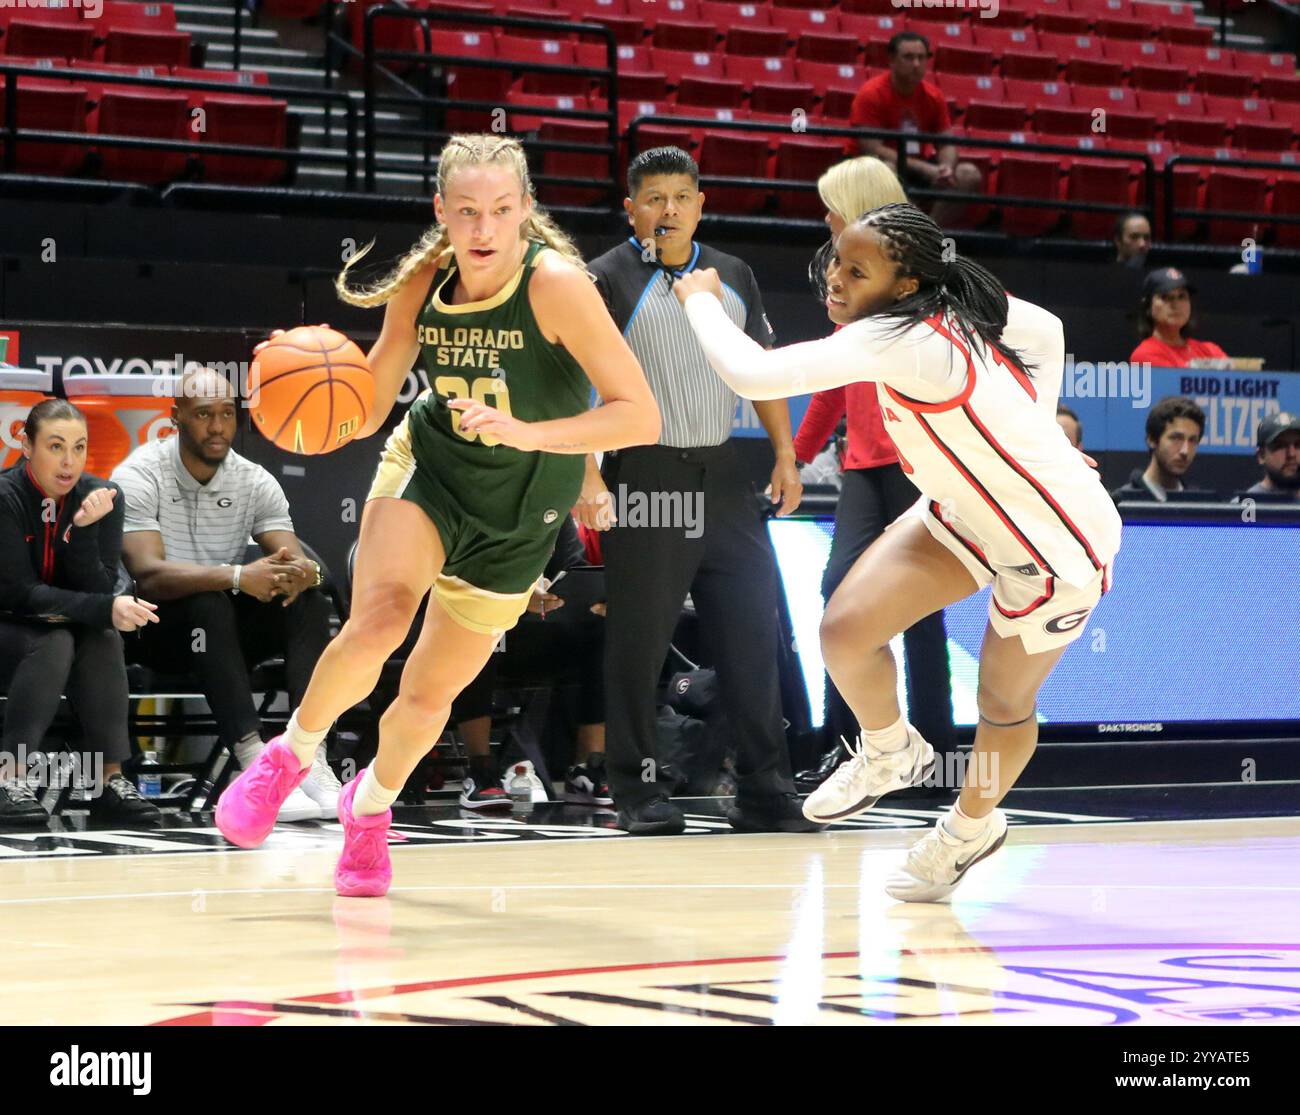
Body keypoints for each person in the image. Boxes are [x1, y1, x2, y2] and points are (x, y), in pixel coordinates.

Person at [213, 133, 659, 898]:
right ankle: (288, 757)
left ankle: (372, 806)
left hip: (523, 505)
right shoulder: (422, 278)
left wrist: (533, 437)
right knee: (380, 618)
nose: (483, 229)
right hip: (432, 466)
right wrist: (303, 405)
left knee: (427, 698)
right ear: (440, 212)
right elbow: (371, 405)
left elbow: (639, 415)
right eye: (466, 212)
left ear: (525, 210)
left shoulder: (555, 284)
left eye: (499, 211)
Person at [674, 202, 1122, 902]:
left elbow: (755, 376)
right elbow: (1046, 328)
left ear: (905, 284)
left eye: (858, 270)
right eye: (836, 261)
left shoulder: (900, 338)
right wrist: (1029, 439)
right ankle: (889, 749)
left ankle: (968, 829)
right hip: (967, 512)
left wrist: (701, 303)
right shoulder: (951, 297)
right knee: (844, 631)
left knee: (1002, 704)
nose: (836, 279)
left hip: (1053, 542)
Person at [579, 145, 818, 837]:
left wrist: (785, 453)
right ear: (631, 208)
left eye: (681, 196)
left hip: (723, 475)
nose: (668, 210)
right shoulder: (603, 279)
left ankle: (766, 788)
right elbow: (579, 382)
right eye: (653, 198)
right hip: (645, 471)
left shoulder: (733, 274)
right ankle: (636, 790)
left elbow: (760, 368)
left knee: (752, 634)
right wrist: (587, 471)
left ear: (701, 204)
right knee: (638, 642)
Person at [792, 155, 958, 792]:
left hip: (922, 466)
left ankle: (937, 756)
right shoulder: (849, 273)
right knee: (843, 596)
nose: (826, 220)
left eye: (833, 207)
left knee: (918, 611)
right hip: (864, 467)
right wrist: (797, 456)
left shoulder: (916, 275)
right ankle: (855, 747)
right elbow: (834, 376)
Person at [113, 368, 338, 823]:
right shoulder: (139, 474)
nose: (217, 427)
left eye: (226, 415)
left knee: (309, 603)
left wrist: (303, 575)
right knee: (209, 600)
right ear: (175, 417)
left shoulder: (254, 480)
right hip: (154, 630)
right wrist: (236, 576)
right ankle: (255, 762)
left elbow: (298, 563)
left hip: (225, 637)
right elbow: (148, 576)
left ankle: (309, 754)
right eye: (203, 415)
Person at [0, 400, 162, 826]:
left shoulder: (102, 497)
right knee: (57, 639)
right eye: (55, 446)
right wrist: (104, 608)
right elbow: (21, 594)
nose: (69, 460)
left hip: (63, 629)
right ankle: (9, 777)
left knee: (102, 636)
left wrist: (85, 533)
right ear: (27, 445)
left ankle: (109, 783)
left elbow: (99, 587)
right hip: (8, 627)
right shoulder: (5, 497)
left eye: (79, 447)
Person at [453, 513, 609, 809]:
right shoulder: (471, 503)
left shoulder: (553, 502)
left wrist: (590, 594)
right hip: (471, 620)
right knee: (484, 626)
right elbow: (453, 576)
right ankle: (481, 769)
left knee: (602, 626)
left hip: (536, 628)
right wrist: (517, 598)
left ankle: (586, 768)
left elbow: (574, 567)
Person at [848, 32, 982, 229]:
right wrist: (926, 169)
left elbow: (946, 143)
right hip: (871, 168)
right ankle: (916, 231)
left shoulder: (933, 96)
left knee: (969, 174)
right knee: (885, 170)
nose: (917, 64)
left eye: (922, 57)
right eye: (909, 57)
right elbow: (872, 148)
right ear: (892, 60)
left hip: (914, 167)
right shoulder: (871, 94)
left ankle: (929, 232)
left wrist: (945, 167)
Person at [1109, 395, 1208, 503]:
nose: (1185, 451)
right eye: (1176, 438)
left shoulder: (1201, 505)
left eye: (1192, 440)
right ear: (1152, 440)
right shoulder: (1119, 503)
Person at [1129, 268, 1228, 368]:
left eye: (1182, 296)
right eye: (1165, 297)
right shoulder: (1144, 354)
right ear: (1148, 306)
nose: (1176, 304)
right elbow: (1177, 382)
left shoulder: (1210, 350)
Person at [1244, 411, 1300, 500]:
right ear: (1261, 455)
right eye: (1281, 446)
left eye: (1298, 445)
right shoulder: (1244, 509)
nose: (1291, 454)